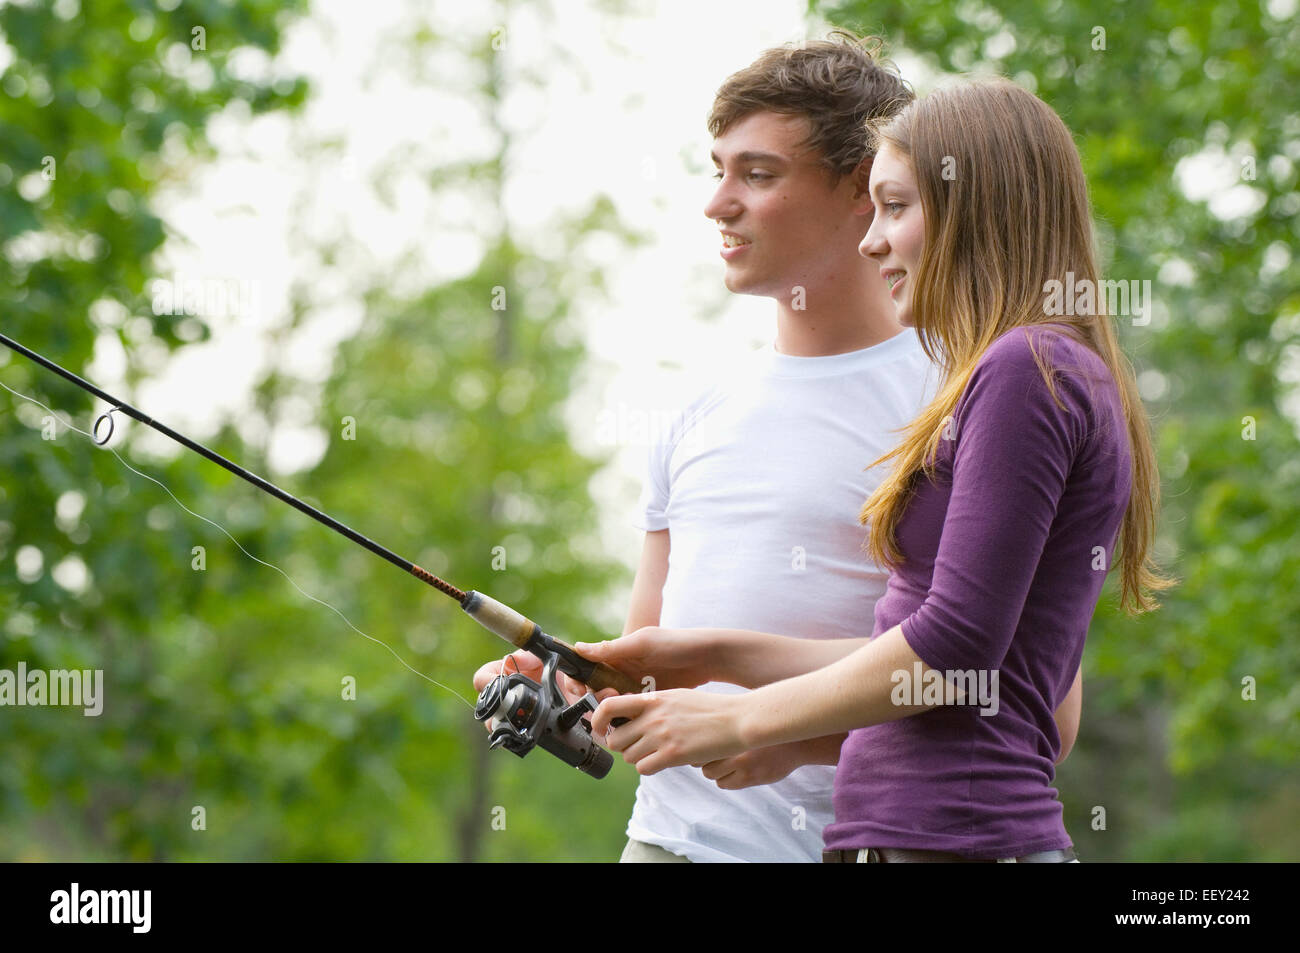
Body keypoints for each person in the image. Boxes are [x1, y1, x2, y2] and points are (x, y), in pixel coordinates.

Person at [585, 78, 1175, 862]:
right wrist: (711, 658)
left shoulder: (1024, 368)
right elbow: (926, 645)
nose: (874, 240)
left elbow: (957, 645)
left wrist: (741, 719)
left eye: (895, 207)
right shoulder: (1036, 367)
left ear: (978, 206)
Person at [474, 34, 959, 862]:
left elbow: (1023, 705)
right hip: (668, 845)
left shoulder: (959, 399)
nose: (718, 203)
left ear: (860, 191)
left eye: (758, 175)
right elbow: (648, 669)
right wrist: (568, 686)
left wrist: (785, 738)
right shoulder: (691, 411)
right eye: (718, 170)